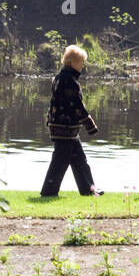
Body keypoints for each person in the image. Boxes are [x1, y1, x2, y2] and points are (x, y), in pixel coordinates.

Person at [40, 44, 104, 197]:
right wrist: (90, 125)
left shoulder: (60, 77)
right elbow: (76, 105)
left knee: (79, 159)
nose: (83, 65)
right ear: (72, 62)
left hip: (63, 126)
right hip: (65, 126)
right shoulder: (69, 80)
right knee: (60, 161)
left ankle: (89, 189)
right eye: (81, 61)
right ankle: (48, 192)